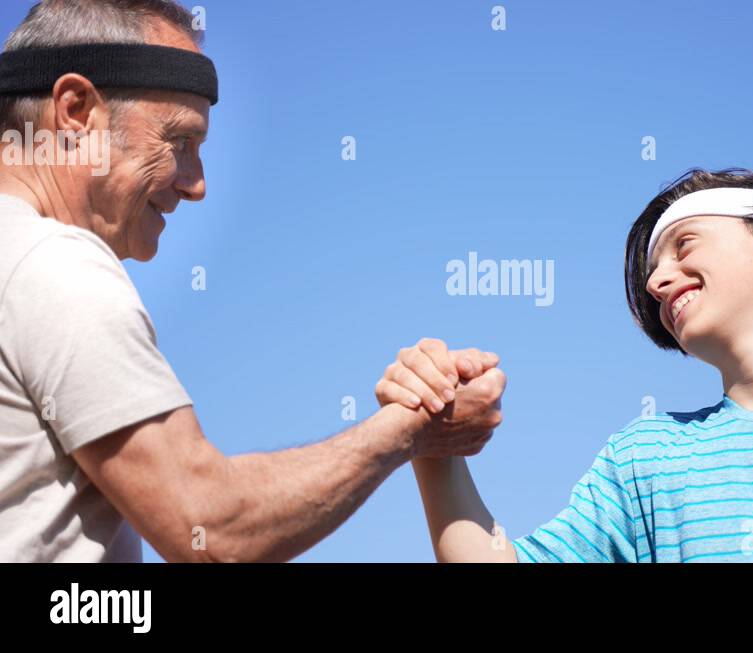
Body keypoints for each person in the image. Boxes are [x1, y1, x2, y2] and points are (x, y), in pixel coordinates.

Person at [0, 0, 505, 562]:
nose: (197, 185)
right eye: (179, 142)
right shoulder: (53, 264)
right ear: (75, 112)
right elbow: (212, 530)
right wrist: (412, 429)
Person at [377, 167, 753, 562]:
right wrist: (432, 446)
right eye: (651, 273)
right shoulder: (644, 459)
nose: (658, 281)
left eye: (683, 246)